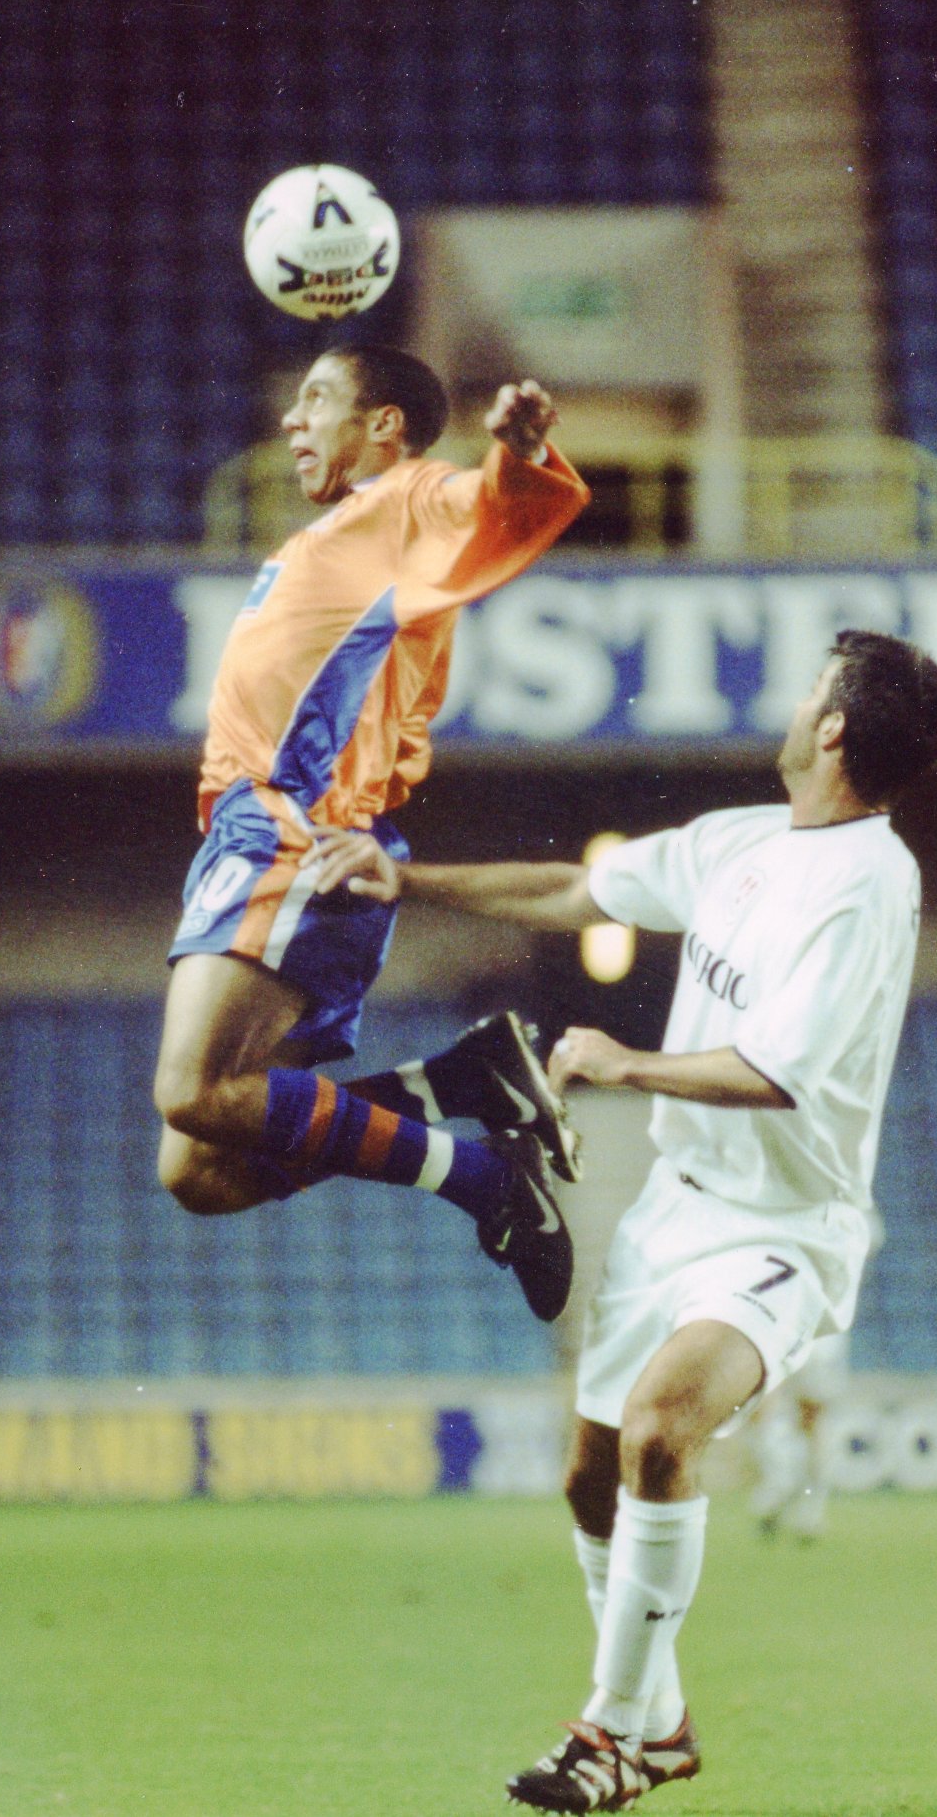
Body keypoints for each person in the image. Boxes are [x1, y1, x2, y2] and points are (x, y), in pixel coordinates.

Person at [308, 628, 937, 1811]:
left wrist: (620, 1060)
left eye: (812, 682)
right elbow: (576, 888)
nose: (795, 691)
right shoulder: (742, 843)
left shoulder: (869, 881)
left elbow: (776, 1072)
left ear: (832, 729)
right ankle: (659, 1724)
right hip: (676, 1208)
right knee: (589, 1477)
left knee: (662, 1425)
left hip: (782, 1226)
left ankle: (609, 1732)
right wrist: (407, 877)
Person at [151, 344, 591, 1323]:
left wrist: (515, 452)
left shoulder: (405, 499)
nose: (290, 421)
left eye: (315, 399)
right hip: (261, 834)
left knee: (191, 1091)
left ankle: (483, 1180)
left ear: (382, 424)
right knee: (201, 1170)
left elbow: (488, 505)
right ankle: (457, 1081)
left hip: (290, 823)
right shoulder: (336, 532)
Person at [749, 1332, 847, 1541]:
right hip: (789, 1417)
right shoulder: (817, 1342)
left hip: (799, 1415)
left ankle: (801, 1517)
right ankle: (790, 1514)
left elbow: (812, 1407)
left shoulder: (825, 1342)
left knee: (814, 1462)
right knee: (802, 1465)